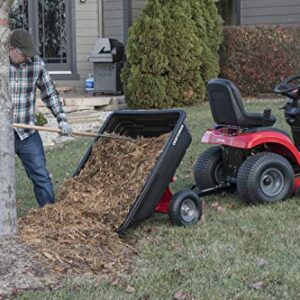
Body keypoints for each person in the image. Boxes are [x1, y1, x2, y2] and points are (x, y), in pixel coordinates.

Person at [9, 28, 73, 207]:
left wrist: (62, 119)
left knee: (41, 176)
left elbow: (50, 93)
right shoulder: (1, 64)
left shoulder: (36, 63)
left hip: (27, 132)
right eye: (24, 53)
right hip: (2, 133)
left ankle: (49, 216)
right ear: (12, 49)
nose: (29, 57)